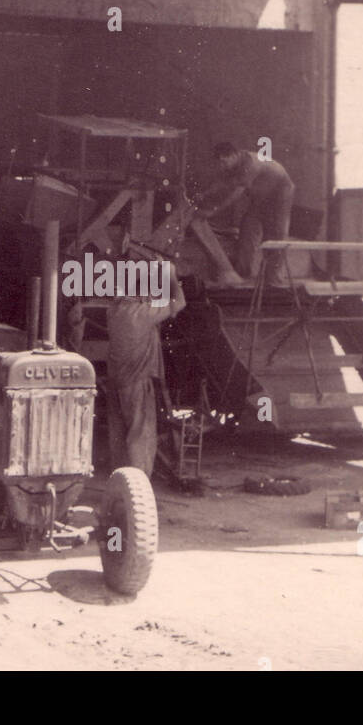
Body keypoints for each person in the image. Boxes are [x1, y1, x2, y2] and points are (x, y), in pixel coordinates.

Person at [105, 259, 186, 477]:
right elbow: (179, 302)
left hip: (116, 382)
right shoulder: (140, 314)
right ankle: (139, 484)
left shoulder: (113, 311)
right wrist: (171, 275)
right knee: (140, 436)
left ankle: (121, 484)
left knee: (120, 437)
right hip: (137, 384)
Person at [198, 141, 296, 284]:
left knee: (275, 234)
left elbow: (235, 194)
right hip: (262, 195)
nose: (222, 166)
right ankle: (242, 273)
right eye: (220, 163)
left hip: (280, 194)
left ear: (234, 155)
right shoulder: (234, 164)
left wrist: (213, 211)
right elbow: (221, 182)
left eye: (224, 162)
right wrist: (204, 194)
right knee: (248, 229)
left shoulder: (250, 164)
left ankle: (273, 278)